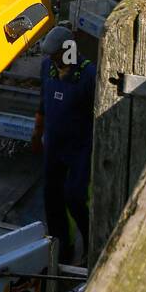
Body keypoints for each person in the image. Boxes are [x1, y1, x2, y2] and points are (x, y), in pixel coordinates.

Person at [31, 25, 96, 264]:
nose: (54, 60)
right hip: (54, 145)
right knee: (51, 195)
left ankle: (91, 242)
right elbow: (43, 103)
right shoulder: (47, 68)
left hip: (80, 146)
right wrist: (37, 134)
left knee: (76, 196)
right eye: (51, 56)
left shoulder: (89, 75)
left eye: (57, 54)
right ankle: (62, 247)